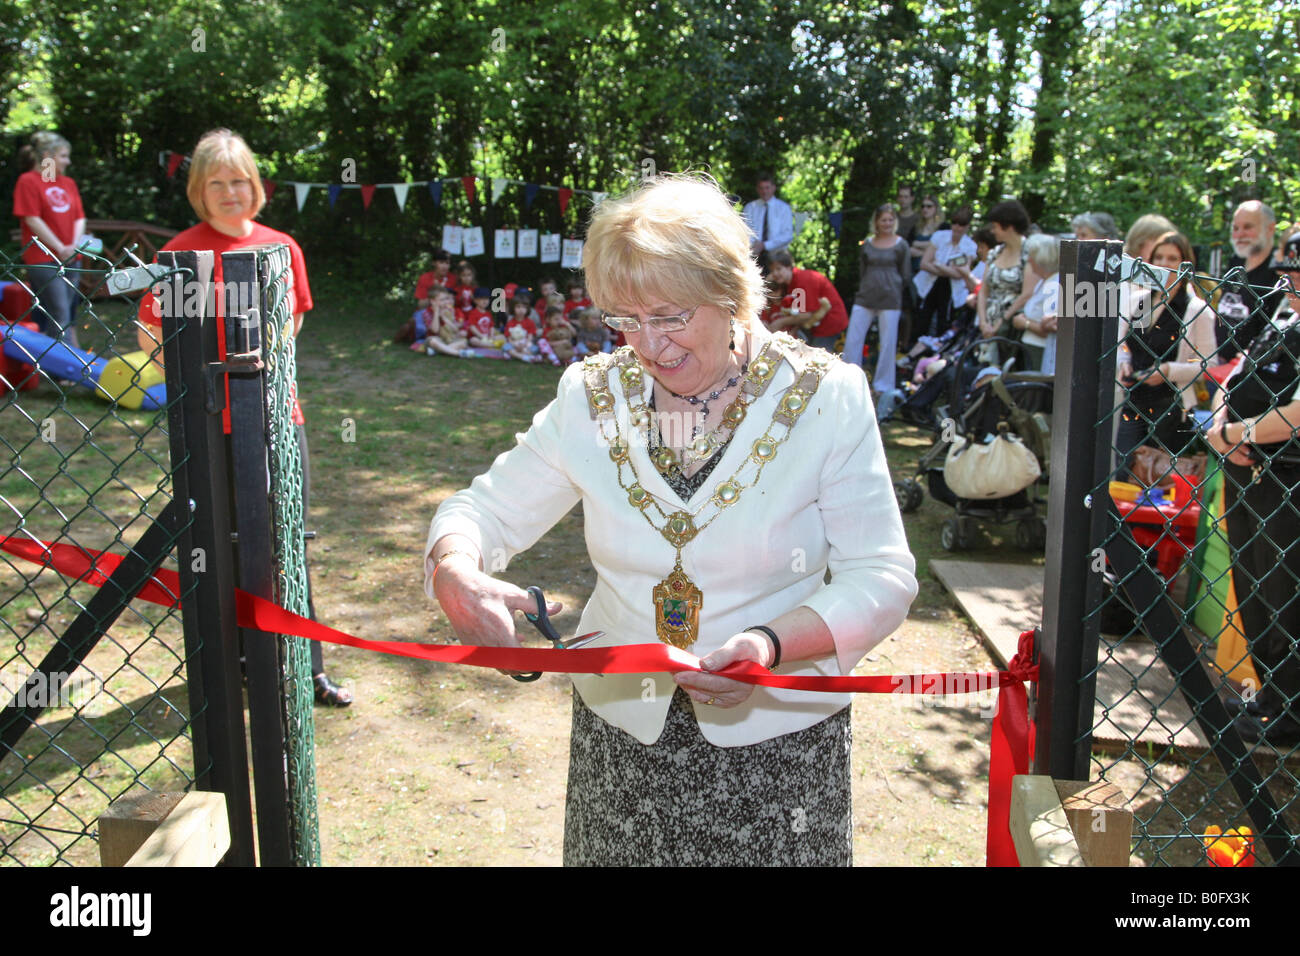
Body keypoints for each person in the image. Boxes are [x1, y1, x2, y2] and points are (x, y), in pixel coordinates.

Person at [424, 173, 917, 865]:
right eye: (624, 319)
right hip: (622, 743)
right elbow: (483, 509)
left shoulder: (825, 398)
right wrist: (453, 568)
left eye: (671, 316)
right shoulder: (590, 397)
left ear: (730, 292)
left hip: (776, 751)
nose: (649, 346)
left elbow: (882, 575)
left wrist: (770, 644)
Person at [136, 128, 353, 707]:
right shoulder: (182, 252)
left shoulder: (282, 246)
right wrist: (201, 372)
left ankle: (307, 670)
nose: (231, 192)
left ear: (255, 186)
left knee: (289, 546)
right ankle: (234, 667)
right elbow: (149, 333)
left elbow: (291, 327)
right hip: (210, 427)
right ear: (198, 191)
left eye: (240, 180)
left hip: (279, 423)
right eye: (217, 183)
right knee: (221, 548)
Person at [1207, 233, 1300, 746]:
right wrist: (1220, 426)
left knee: (1288, 597)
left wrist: (1234, 434)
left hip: (1288, 480)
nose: (1289, 278)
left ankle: (1292, 713)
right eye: (1288, 268)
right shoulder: (1282, 317)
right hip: (1247, 475)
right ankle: (1271, 695)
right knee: (1256, 590)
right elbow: (1230, 373)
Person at [1114, 230, 1217, 472]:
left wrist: (1168, 370)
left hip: (1172, 408)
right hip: (1134, 402)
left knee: (1161, 479)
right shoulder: (1137, 301)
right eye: (1159, 257)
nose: (1164, 264)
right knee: (1124, 472)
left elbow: (1209, 366)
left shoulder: (1196, 309)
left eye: (1172, 258)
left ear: (1185, 264)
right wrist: (1124, 362)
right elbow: (1122, 346)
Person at [13, 131, 86, 348]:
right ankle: (65, 368)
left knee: (68, 313)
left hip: (72, 256)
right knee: (59, 313)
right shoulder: (28, 181)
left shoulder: (68, 183)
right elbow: (32, 219)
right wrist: (59, 247)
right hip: (43, 257)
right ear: (47, 155)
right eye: (63, 156)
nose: (68, 161)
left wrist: (72, 245)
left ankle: (64, 361)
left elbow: (80, 217)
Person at [844, 204, 912, 397]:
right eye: (883, 220)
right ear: (876, 222)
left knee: (888, 343)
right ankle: (849, 379)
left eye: (891, 219)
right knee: (853, 339)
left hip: (891, 299)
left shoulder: (901, 244)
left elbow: (905, 273)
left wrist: (894, 287)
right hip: (865, 296)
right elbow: (862, 269)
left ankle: (883, 386)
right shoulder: (867, 242)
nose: (887, 223)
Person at [1215, 200, 1283, 361]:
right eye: (1235, 228)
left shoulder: (1280, 273)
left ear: (1270, 229)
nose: (1239, 234)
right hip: (1213, 363)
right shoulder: (1236, 262)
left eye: (1248, 227)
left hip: (1250, 369)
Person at [976, 200, 1035, 349]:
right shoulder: (995, 253)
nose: (992, 231)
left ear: (1008, 226)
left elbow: (1026, 294)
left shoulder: (1030, 252)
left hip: (1011, 329)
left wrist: (999, 324)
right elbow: (984, 290)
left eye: (995, 226)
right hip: (988, 326)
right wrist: (983, 323)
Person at [765, 250, 849, 351]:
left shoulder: (803, 280)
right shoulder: (788, 283)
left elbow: (806, 314)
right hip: (814, 325)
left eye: (779, 269)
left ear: (789, 267)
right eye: (772, 270)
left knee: (818, 359)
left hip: (829, 323)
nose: (775, 273)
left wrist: (780, 322)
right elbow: (796, 313)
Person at [915, 205, 976, 339]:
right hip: (930, 284)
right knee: (922, 319)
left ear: (967, 226)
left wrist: (938, 265)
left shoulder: (969, 246)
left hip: (951, 290)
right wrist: (947, 269)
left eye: (962, 224)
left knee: (943, 323)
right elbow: (924, 264)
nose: (957, 227)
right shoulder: (940, 237)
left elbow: (960, 274)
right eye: (954, 223)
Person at [1011, 234, 1061, 373]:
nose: (1028, 260)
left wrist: (1025, 324)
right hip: (1029, 346)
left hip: (1041, 351)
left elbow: (1053, 328)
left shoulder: (1055, 285)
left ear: (1042, 260)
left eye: (1031, 256)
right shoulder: (1042, 281)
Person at [741, 172, 794, 271]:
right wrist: (754, 246)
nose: (764, 191)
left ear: (773, 188)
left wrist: (765, 245)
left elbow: (787, 235)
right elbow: (745, 231)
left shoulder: (783, 208)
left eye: (767, 187)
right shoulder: (750, 207)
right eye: (761, 188)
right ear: (757, 189)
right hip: (754, 255)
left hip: (778, 256)